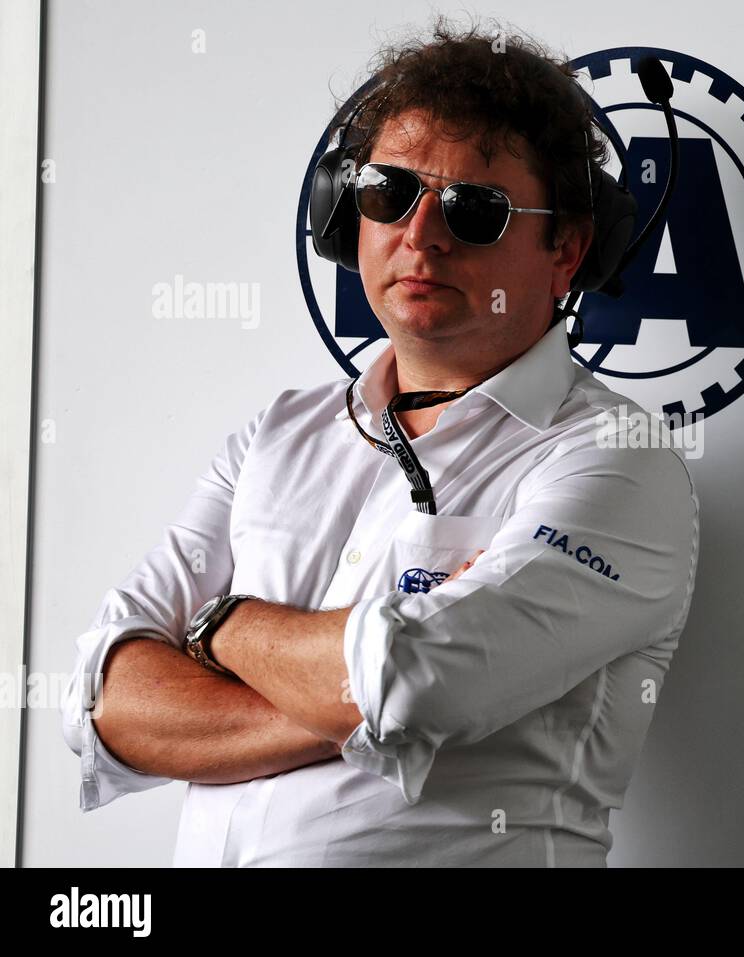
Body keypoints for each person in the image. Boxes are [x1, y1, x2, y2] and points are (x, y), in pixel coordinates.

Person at [59, 17, 700, 867]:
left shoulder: (618, 459)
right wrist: (350, 691)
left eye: (476, 210)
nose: (421, 233)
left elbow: (422, 684)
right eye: (389, 192)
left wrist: (216, 628)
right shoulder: (275, 434)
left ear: (568, 249)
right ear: (343, 213)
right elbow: (106, 701)